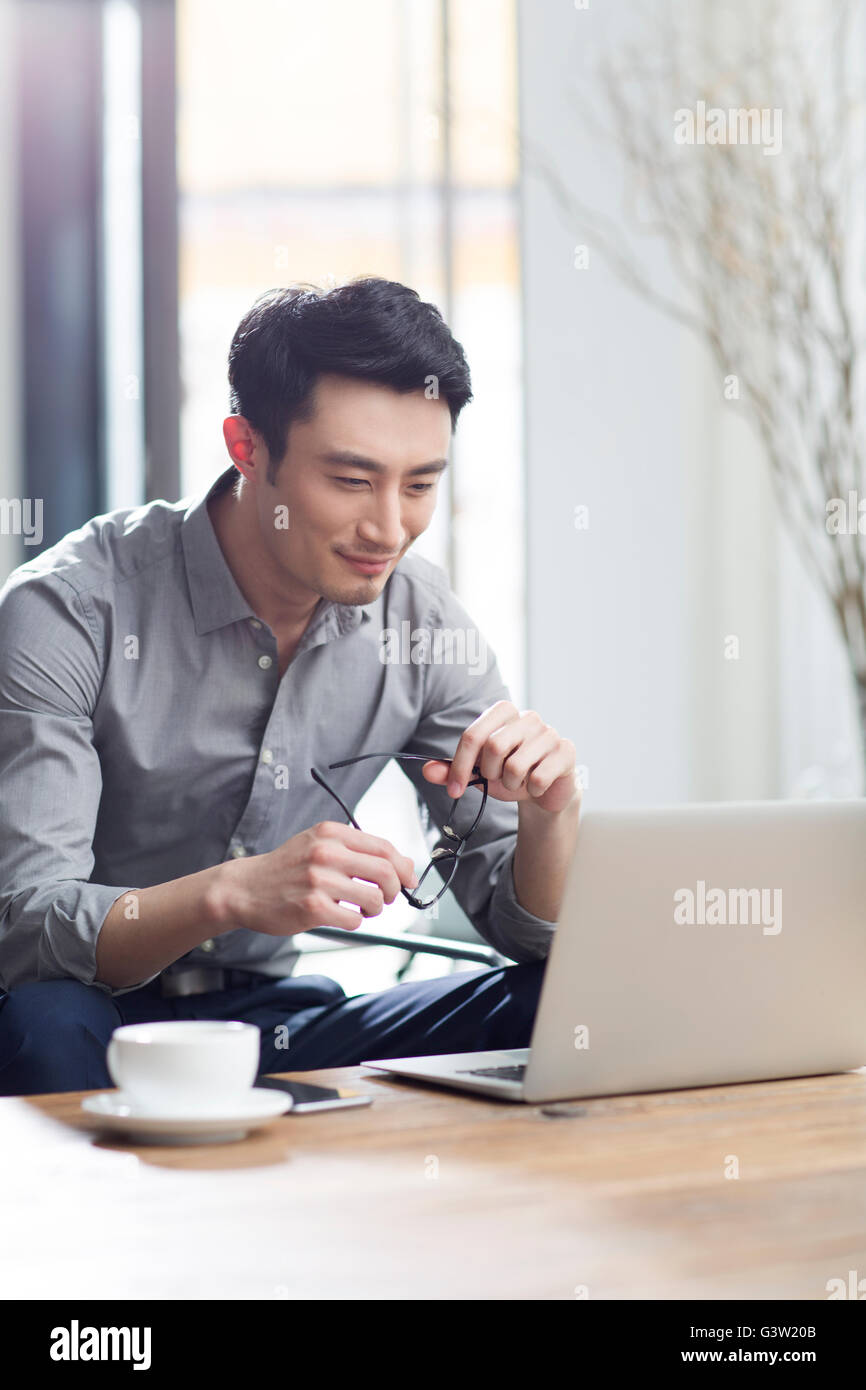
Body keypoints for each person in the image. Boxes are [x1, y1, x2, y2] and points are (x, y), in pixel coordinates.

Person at [0, 276, 581, 1096]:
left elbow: (529, 936)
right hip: (90, 1014)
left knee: (560, 1005)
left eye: (419, 484)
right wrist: (231, 894)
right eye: (351, 480)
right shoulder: (70, 609)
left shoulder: (421, 619)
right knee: (44, 1023)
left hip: (276, 1024)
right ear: (248, 449)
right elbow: (26, 927)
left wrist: (551, 818)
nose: (389, 528)